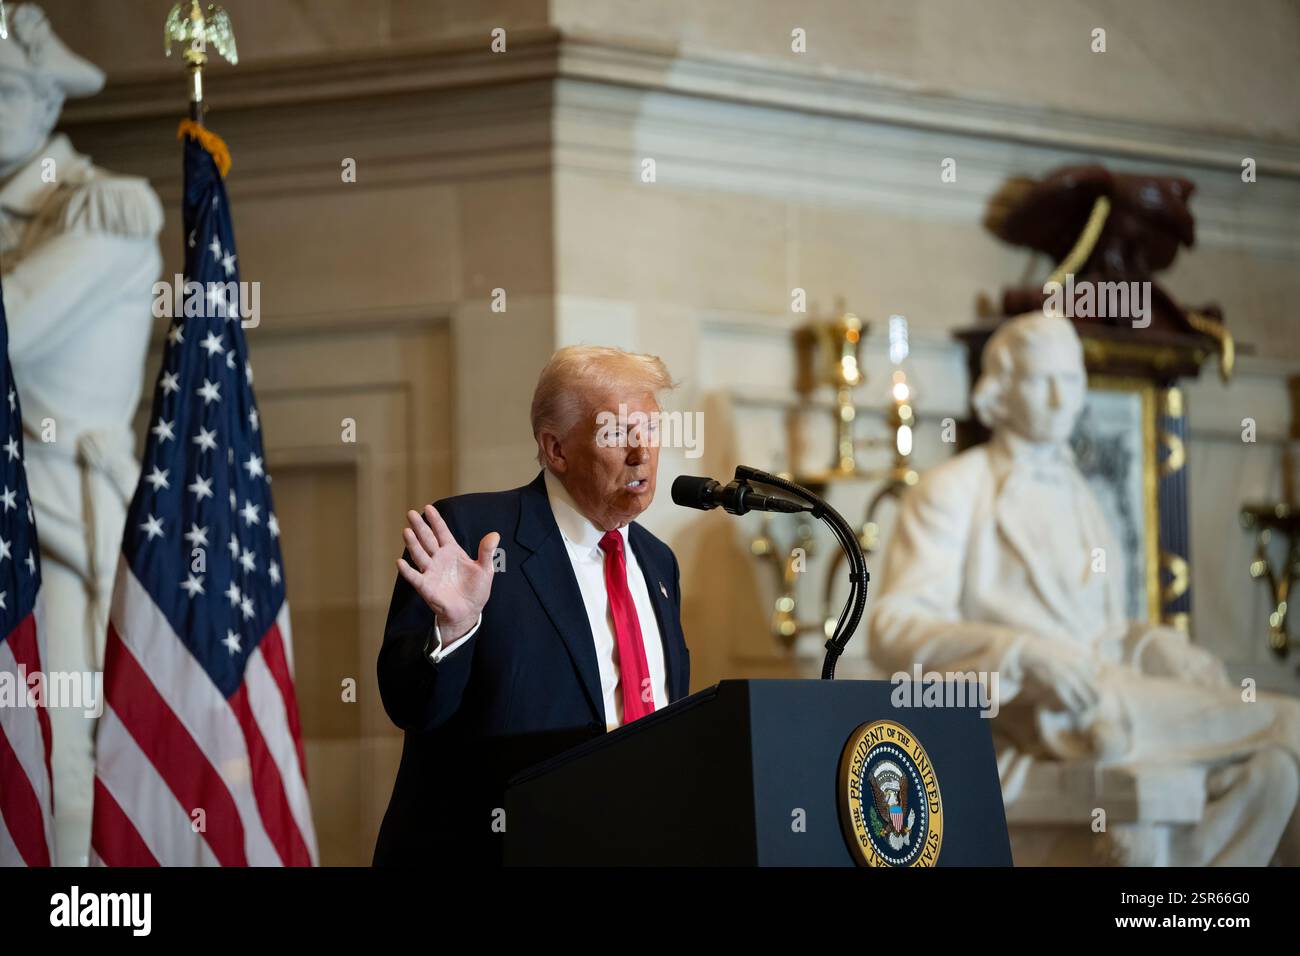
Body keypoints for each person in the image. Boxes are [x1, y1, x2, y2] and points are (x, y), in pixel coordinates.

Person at [869, 311, 1300, 865]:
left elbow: (1103, 630)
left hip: (1111, 695)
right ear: (1001, 388)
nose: (1058, 398)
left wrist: (1152, 644)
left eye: (1070, 380)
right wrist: (1020, 653)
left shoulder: (1081, 493)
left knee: (1273, 774)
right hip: (1032, 716)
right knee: (1290, 722)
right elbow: (893, 628)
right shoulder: (953, 490)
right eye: (1039, 380)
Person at [374, 345, 691, 865]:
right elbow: (409, 706)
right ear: (556, 449)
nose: (642, 453)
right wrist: (455, 631)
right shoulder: (473, 537)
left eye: (651, 430)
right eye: (616, 433)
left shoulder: (659, 564)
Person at [0, 2, 163, 866]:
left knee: (57, 750)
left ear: (41, 102)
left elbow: (10, 331)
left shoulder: (102, 216)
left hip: (55, 516)